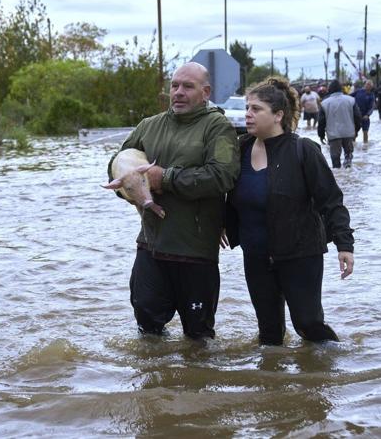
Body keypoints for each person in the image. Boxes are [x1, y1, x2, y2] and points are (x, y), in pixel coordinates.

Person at [108, 62, 240, 339]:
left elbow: (222, 176)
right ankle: (158, 381)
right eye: (174, 86)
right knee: (146, 325)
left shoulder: (218, 127)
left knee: (198, 336)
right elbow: (117, 167)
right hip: (151, 244)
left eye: (188, 87)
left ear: (205, 92)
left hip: (195, 248)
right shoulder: (148, 126)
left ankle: (195, 380)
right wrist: (132, 189)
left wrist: (163, 178)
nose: (178, 92)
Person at [222, 76, 355, 346]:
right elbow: (225, 192)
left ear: (278, 115)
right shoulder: (239, 149)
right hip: (256, 257)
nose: (248, 114)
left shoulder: (302, 150)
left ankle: (330, 371)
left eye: (256, 109)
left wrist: (344, 244)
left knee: (308, 325)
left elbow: (331, 199)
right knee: (269, 335)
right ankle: (273, 386)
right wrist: (220, 223)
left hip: (300, 254)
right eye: (247, 108)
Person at [318, 80, 362, 168]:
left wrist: (321, 135)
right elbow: (358, 117)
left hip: (333, 135)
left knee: (335, 160)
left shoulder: (324, 103)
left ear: (330, 89)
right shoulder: (351, 100)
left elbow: (321, 121)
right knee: (348, 156)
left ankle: (338, 179)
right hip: (348, 133)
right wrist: (356, 130)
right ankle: (349, 176)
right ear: (341, 89)